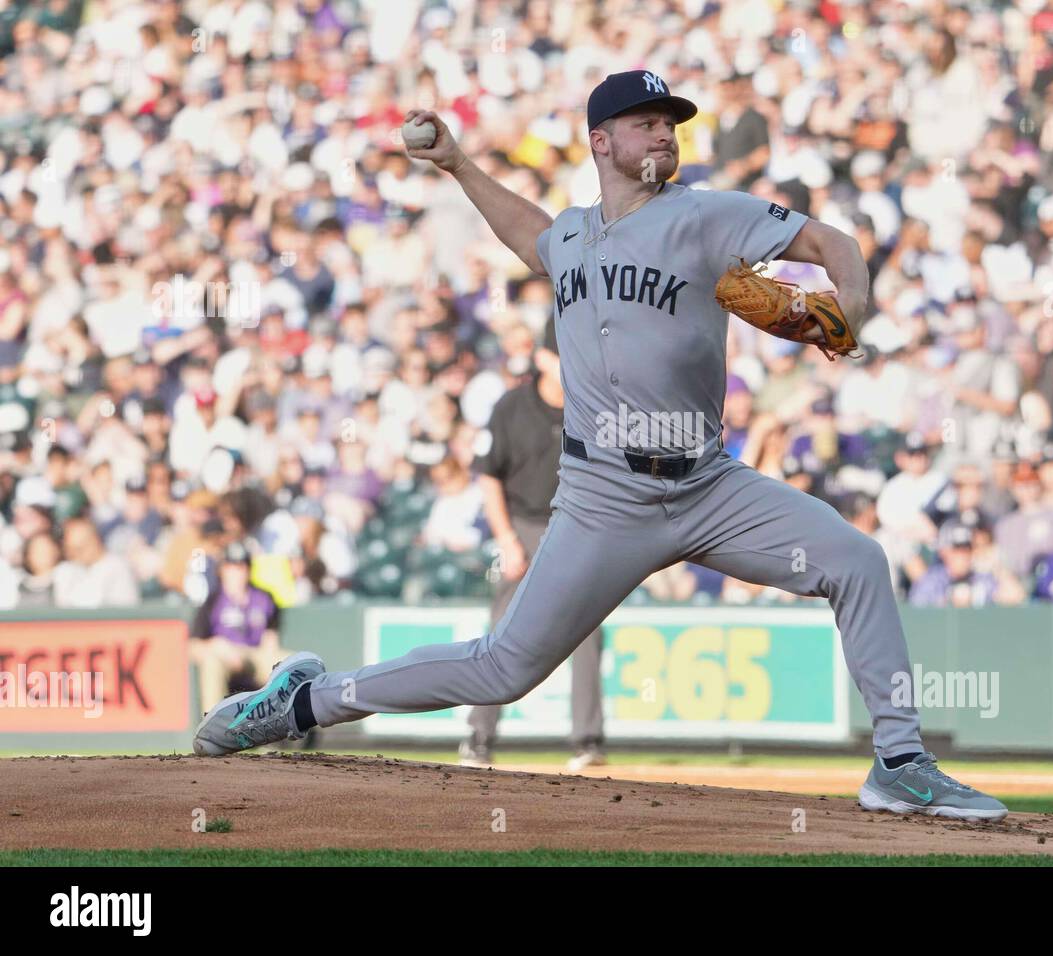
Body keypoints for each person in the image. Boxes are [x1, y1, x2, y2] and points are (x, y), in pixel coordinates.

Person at [193, 72, 1008, 822]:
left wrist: (852, 310)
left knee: (857, 561)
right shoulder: (573, 239)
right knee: (503, 668)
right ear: (601, 143)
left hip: (709, 487)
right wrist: (459, 165)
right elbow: (531, 234)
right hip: (604, 498)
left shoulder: (709, 215)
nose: (664, 135)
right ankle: (305, 701)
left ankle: (899, 758)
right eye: (645, 122)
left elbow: (836, 243)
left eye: (671, 124)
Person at [460, 322, 606, 772]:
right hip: (522, 524)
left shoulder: (595, 405)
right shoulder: (510, 407)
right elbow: (488, 477)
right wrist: (506, 539)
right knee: (504, 632)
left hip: (575, 526)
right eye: (564, 358)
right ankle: (478, 737)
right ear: (543, 359)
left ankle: (588, 741)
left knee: (586, 634)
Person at [188, 541, 289, 715]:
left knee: (290, 662)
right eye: (231, 567)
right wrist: (217, 647)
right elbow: (193, 646)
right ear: (222, 570)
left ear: (248, 569)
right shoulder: (213, 601)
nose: (236, 572)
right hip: (223, 654)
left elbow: (270, 642)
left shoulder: (264, 598)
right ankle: (213, 728)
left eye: (241, 566)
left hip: (254, 656)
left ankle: (289, 727)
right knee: (211, 663)